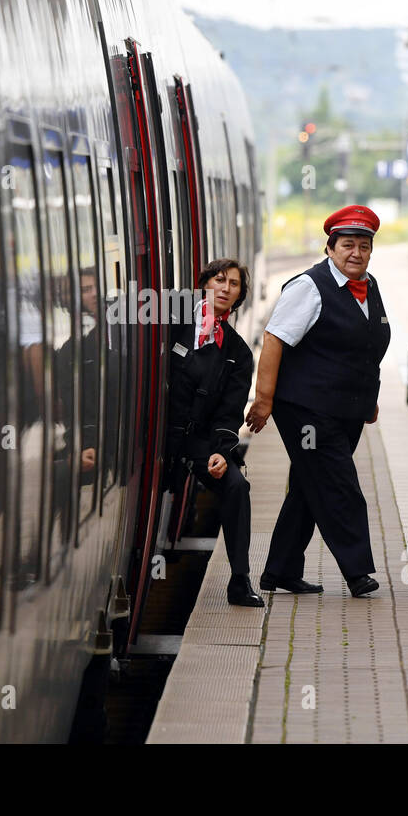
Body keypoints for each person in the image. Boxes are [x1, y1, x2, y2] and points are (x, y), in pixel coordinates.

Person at [246, 205, 391, 598]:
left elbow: (367, 347)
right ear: (330, 248)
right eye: (347, 245)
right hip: (306, 409)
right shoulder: (308, 287)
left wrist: (369, 399)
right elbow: (274, 339)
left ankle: (280, 570)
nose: (356, 253)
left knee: (310, 485)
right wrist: (264, 399)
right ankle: (358, 571)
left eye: (364, 246)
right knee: (339, 484)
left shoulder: (370, 286)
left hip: (346, 410)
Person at [164, 258, 262, 608]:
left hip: (199, 439)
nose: (225, 288)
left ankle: (240, 581)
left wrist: (221, 450)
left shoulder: (238, 352)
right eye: (219, 280)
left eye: (234, 285)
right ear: (204, 283)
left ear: (239, 297)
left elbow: (230, 411)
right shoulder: (172, 322)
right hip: (160, 435)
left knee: (236, 486)